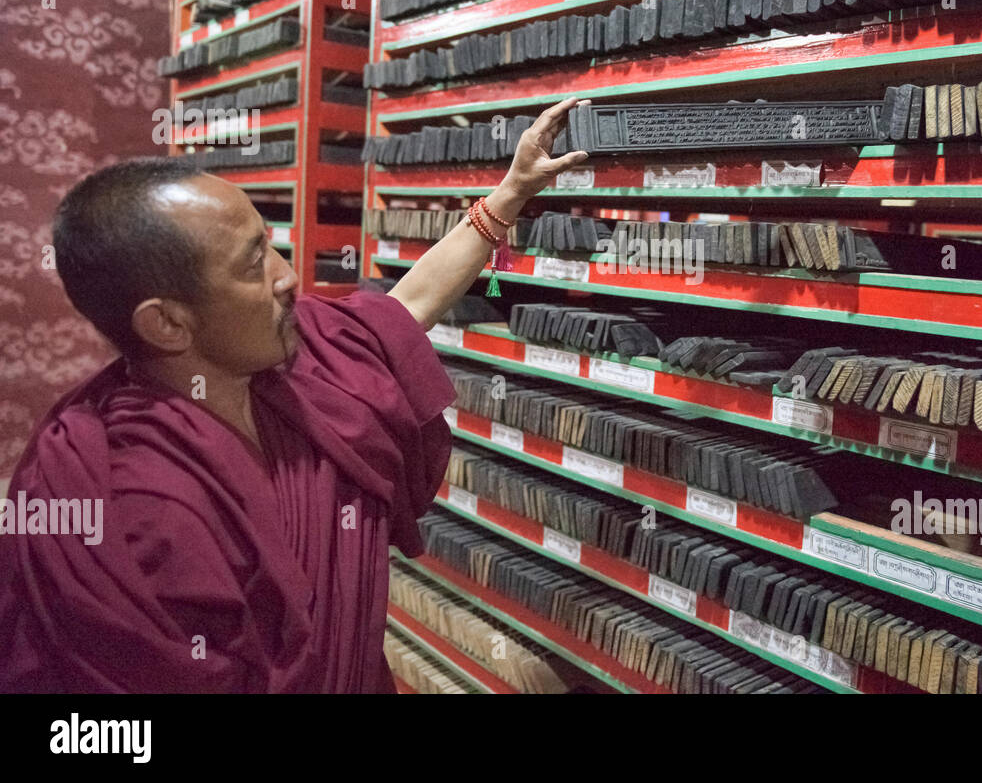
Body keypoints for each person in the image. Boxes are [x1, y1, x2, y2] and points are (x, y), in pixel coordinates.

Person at [0, 97, 589, 692]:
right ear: (168, 325)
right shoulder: (133, 507)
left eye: (270, 244)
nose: (286, 276)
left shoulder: (302, 366)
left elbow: (404, 309)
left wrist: (511, 193)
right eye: (253, 264)